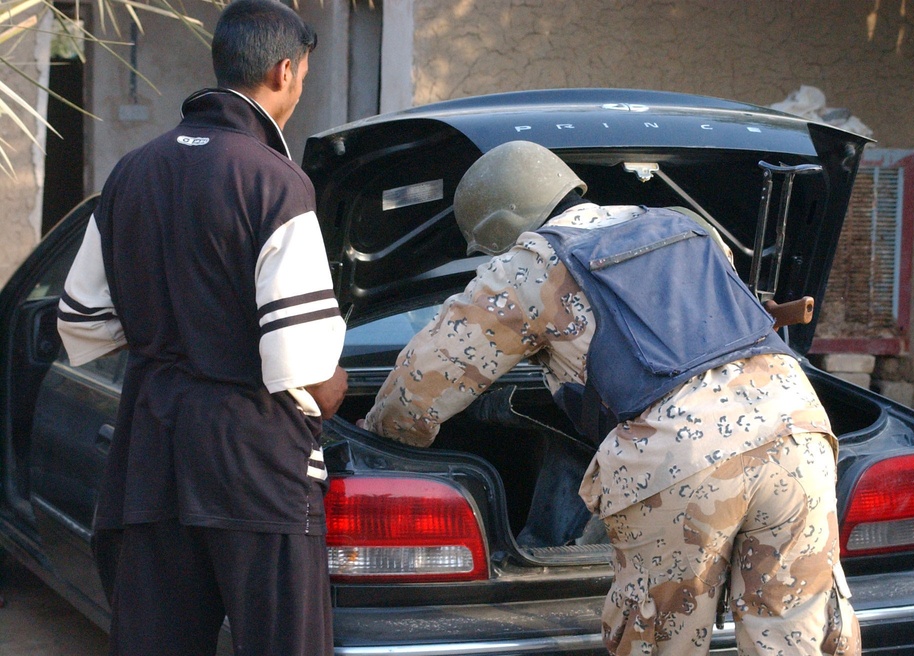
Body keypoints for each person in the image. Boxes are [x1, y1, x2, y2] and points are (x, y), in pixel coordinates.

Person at [362, 140, 861, 656]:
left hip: (682, 457)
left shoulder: (531, 262)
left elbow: (425, 379)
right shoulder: (687, 225)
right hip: (797, 428)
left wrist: (381, 438)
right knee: (798, 637)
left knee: (660, 641)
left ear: (499, 229)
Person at [56, 1, 346, 653]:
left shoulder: (131, 172)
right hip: (256, 468)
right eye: (302, 76)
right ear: (284, 71)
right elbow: (301, 363)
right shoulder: (276, 182)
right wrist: (335, 385)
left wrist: (173, 329)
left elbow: (81, 321)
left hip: (151, 454)